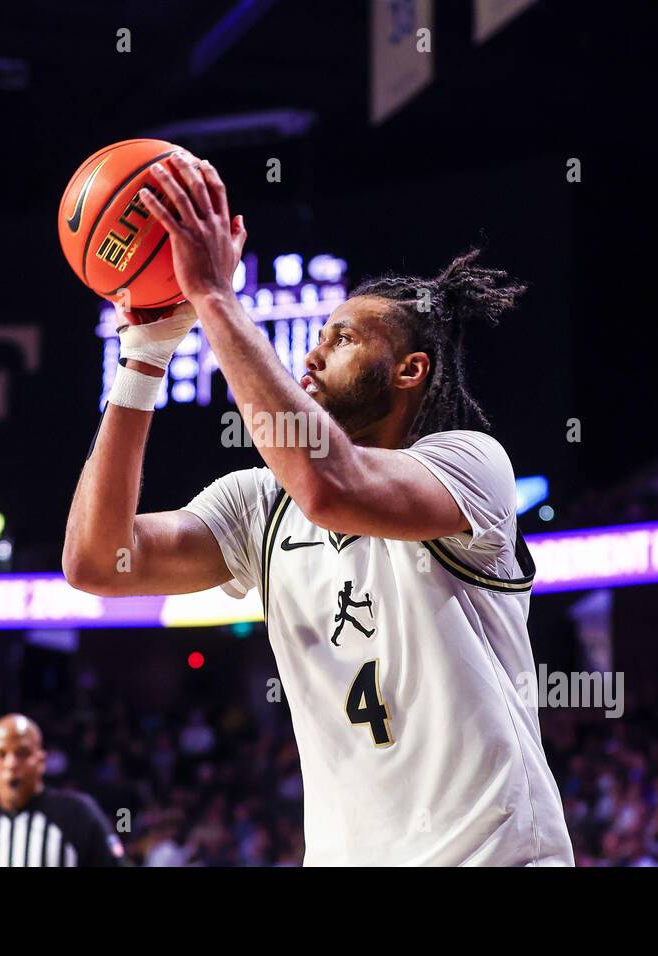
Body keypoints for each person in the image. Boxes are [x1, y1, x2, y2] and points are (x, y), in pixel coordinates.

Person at [63, 151, 573, 866]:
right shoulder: (261, 507)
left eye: (342, 340)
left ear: (409, 371)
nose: (312, 355)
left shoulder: (470, 465)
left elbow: (332, 489)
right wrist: (144, 358)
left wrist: (215, 297)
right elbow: (96, 561)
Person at [0, 714, 126, 867]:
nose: (11, 764)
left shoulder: (78, 814)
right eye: (1, 754)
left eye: (22, 753)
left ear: (41, 761)